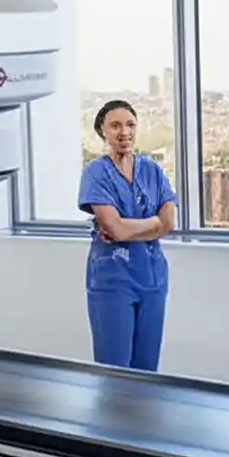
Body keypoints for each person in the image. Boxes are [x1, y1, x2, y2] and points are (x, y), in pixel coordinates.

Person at [77, 100, 178, 372]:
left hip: (152, 279)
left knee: (147, 371)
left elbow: (168, 222)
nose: (124, 132)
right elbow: (114, 228)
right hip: (113, 280)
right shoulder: (96, 174)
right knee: (114, 371)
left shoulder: (153, 171)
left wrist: (127, 228)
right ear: (102, 131)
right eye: (115, 126)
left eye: (130, 125)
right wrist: (152, 224)